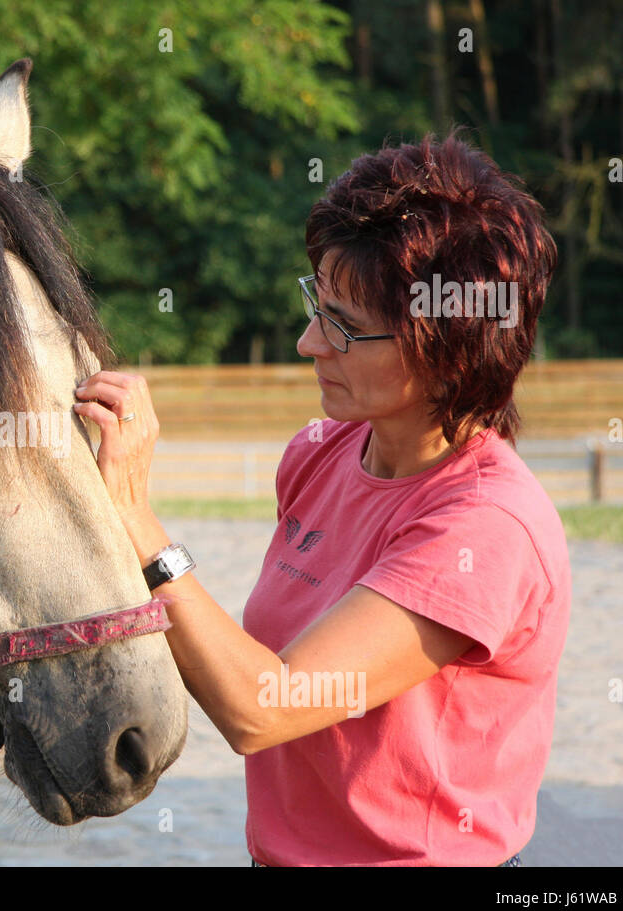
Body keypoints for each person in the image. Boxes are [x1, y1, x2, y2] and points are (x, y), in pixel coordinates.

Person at [72, 132, 568, 866]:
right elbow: (231, 656)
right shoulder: (319, 454)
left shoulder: (484, 529)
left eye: (344, 326)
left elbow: (263, 708)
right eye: (317, 304)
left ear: (449, 349)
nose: (310, 342)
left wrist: (136, 517)